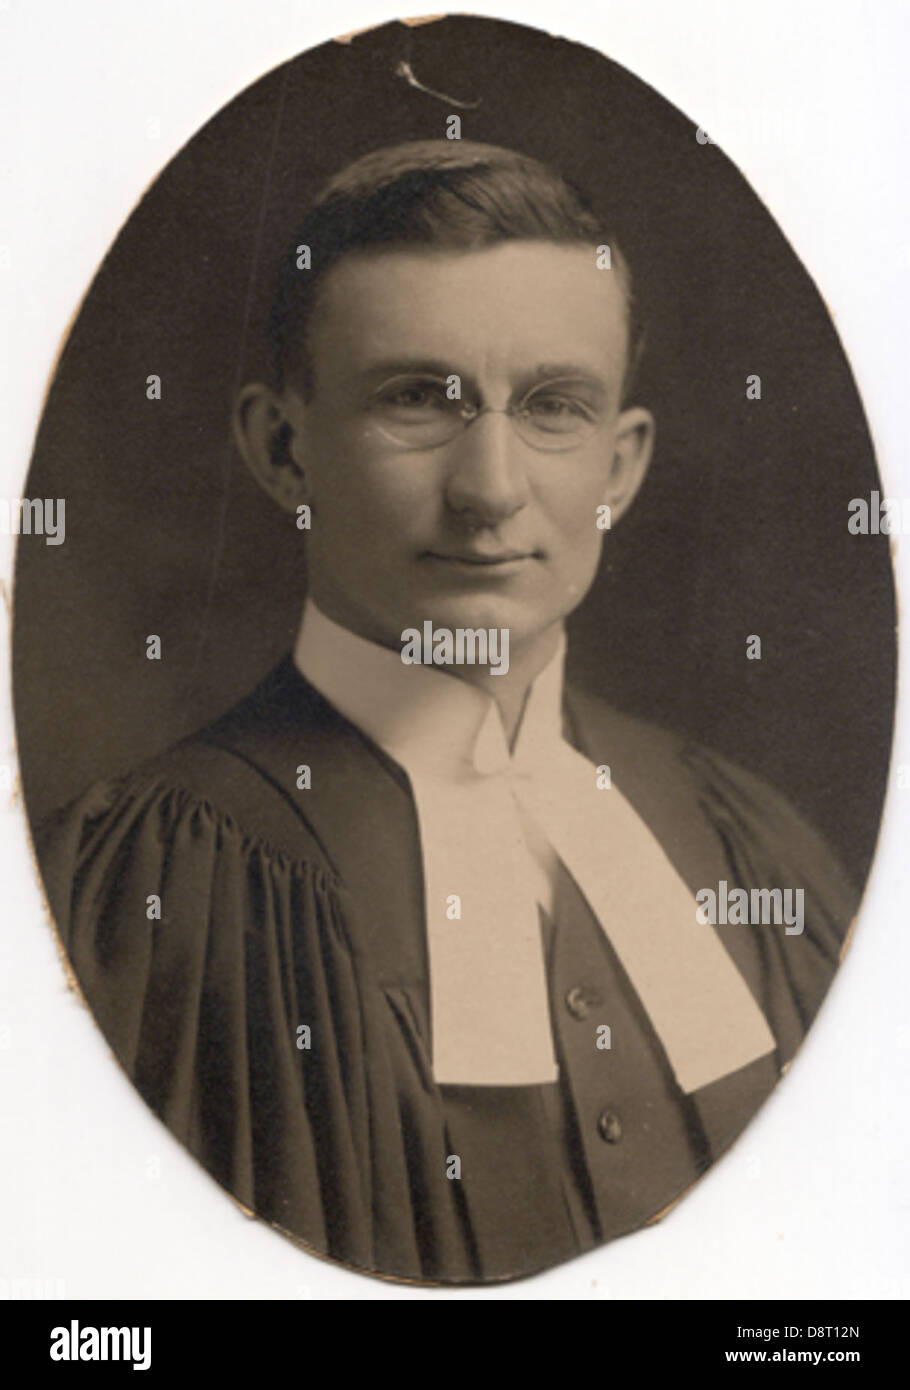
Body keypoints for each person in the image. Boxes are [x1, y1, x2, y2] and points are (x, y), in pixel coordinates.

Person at [36, 140, 858, 1285]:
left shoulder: (756, 850)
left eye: (554, 408)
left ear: (619, 468)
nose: (490, 489)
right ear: (282, 450)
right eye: (419, 399)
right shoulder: (146, 890)